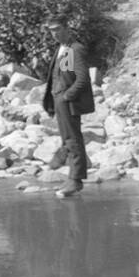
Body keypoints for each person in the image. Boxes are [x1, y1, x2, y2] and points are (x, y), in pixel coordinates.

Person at [42, 15, 95, 198]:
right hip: (59, 99)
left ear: (66, 28)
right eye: (51, 30)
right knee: (67, 138)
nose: (54, 34)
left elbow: (82, 79)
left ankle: (76, 180)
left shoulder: (75, 49)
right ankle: (71, 169)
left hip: (68, 101)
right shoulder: (63, 49)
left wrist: (66, 96)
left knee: (72, 139)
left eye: (57, 29)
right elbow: (63, 74)